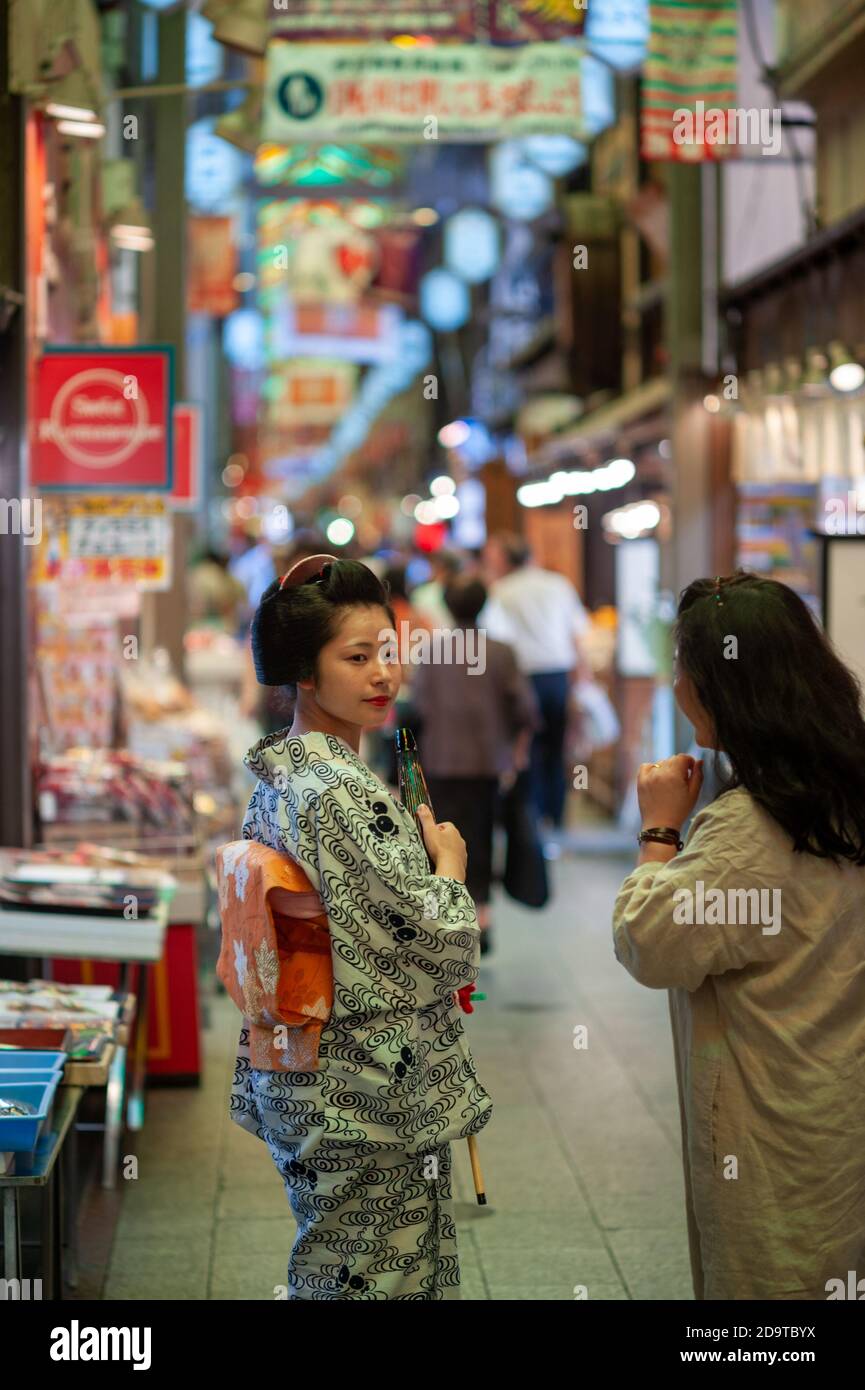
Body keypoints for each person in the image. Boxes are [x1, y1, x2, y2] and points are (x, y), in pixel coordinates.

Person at [233, 553, 493, 1300]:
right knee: (377, 1276)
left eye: (388, 650)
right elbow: (429, 942)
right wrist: (447, 868)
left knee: (342, 1264)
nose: (382, 672)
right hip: (360, 1090)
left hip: (303, 1063)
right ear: (303, 673)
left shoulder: (287, 772)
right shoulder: (340, 794)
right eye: (356, 657)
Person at [612, 571, 865, 1300]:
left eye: (681, 669)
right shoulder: (841, 792)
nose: (675, 685)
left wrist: (659, 827)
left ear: (716, 690)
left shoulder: (748, 831)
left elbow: (648, 942)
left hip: (773, 1125)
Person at [411, 574, 539, 956]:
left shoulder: (432, 652)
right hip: (488, 763)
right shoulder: (501, 651)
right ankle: (482, 919)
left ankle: (448, 920)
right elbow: (525, 709)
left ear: (447, 606)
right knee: (481, 840)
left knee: (440, 839)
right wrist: (516, 751)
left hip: (441, 760)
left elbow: (417, 707)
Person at [481, 532, 590, 837]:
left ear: (504, 561)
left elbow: (494, 640)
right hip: (558, 674)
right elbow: (577, 633)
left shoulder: (500, 591)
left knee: (525, 748)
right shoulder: (558, 584)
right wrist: (582, 674)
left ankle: (531, 819)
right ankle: (556, 819)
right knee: (556, 749)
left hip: (522, 677)